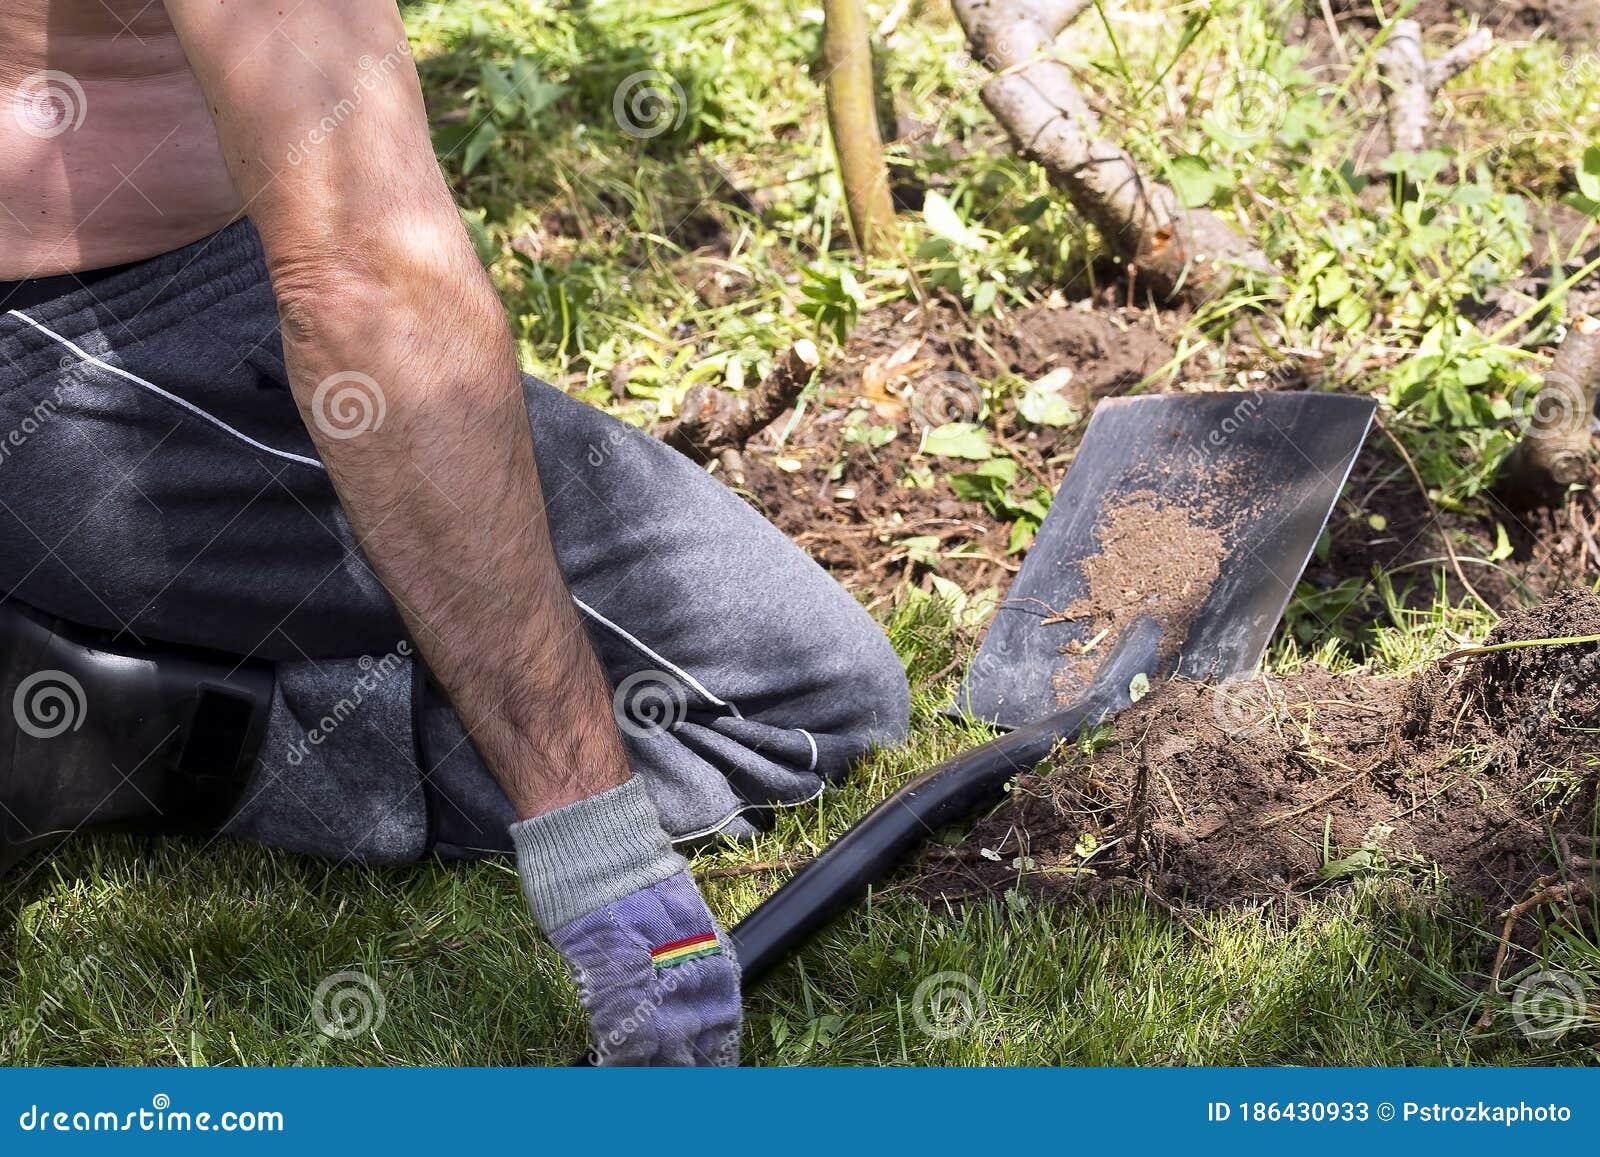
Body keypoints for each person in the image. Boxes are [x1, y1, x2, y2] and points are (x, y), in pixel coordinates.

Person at [0, 0, 909, 1066]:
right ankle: (125, 734)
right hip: (85, 353)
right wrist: (597, 854)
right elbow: (365, 286)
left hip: (88, 301)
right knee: (795, 692)